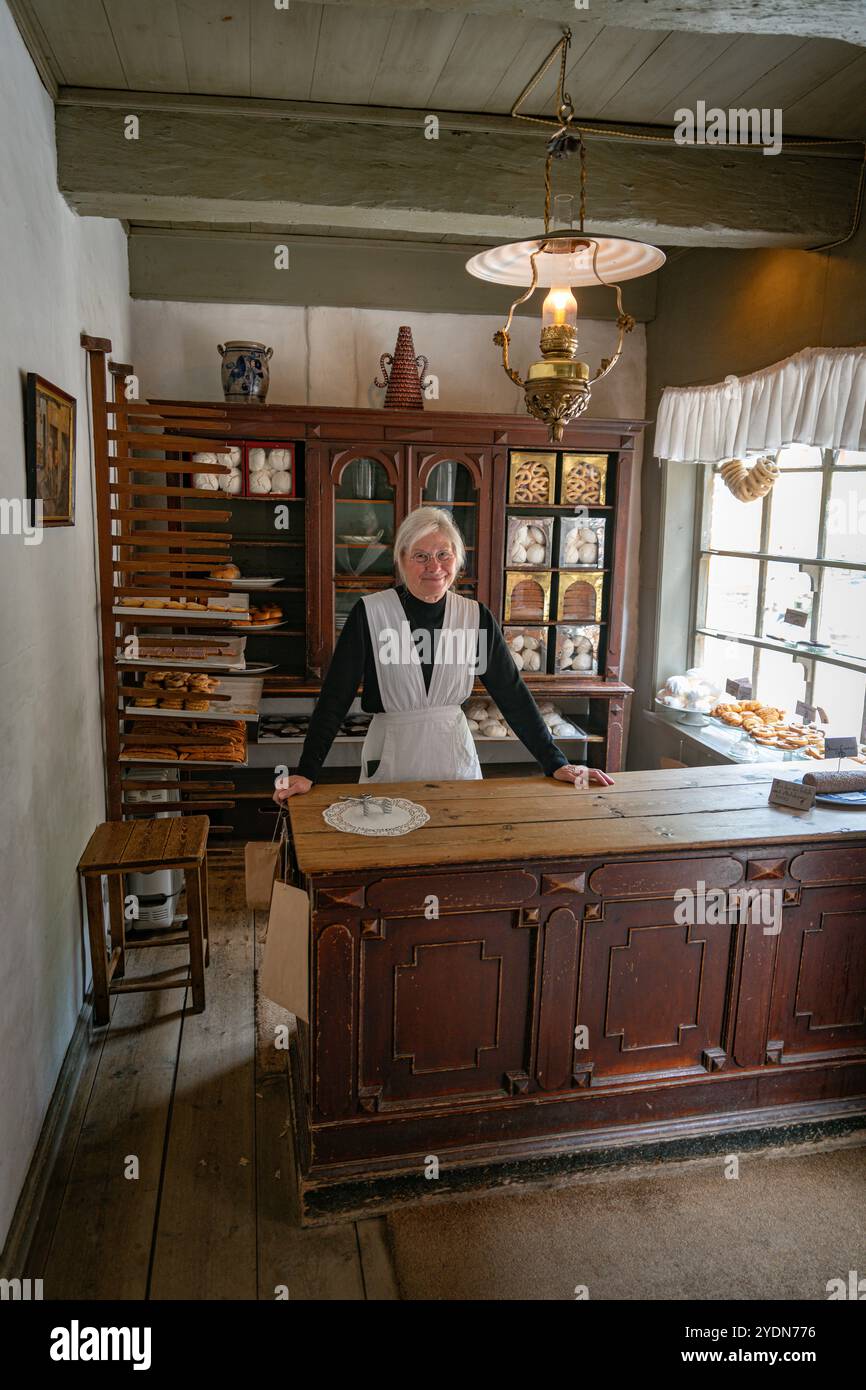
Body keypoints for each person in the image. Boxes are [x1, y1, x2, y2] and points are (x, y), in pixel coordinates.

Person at [273, 506, 614, 801]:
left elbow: (511, 694)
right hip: (392, 753)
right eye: (420, 556)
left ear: (457, 558)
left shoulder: (474, 617)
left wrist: (555, 762)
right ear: (402, 561)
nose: (433, 566)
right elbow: (335, 696)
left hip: (453, 753)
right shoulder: (371, 614)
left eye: (443, 554)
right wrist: (307, 772)